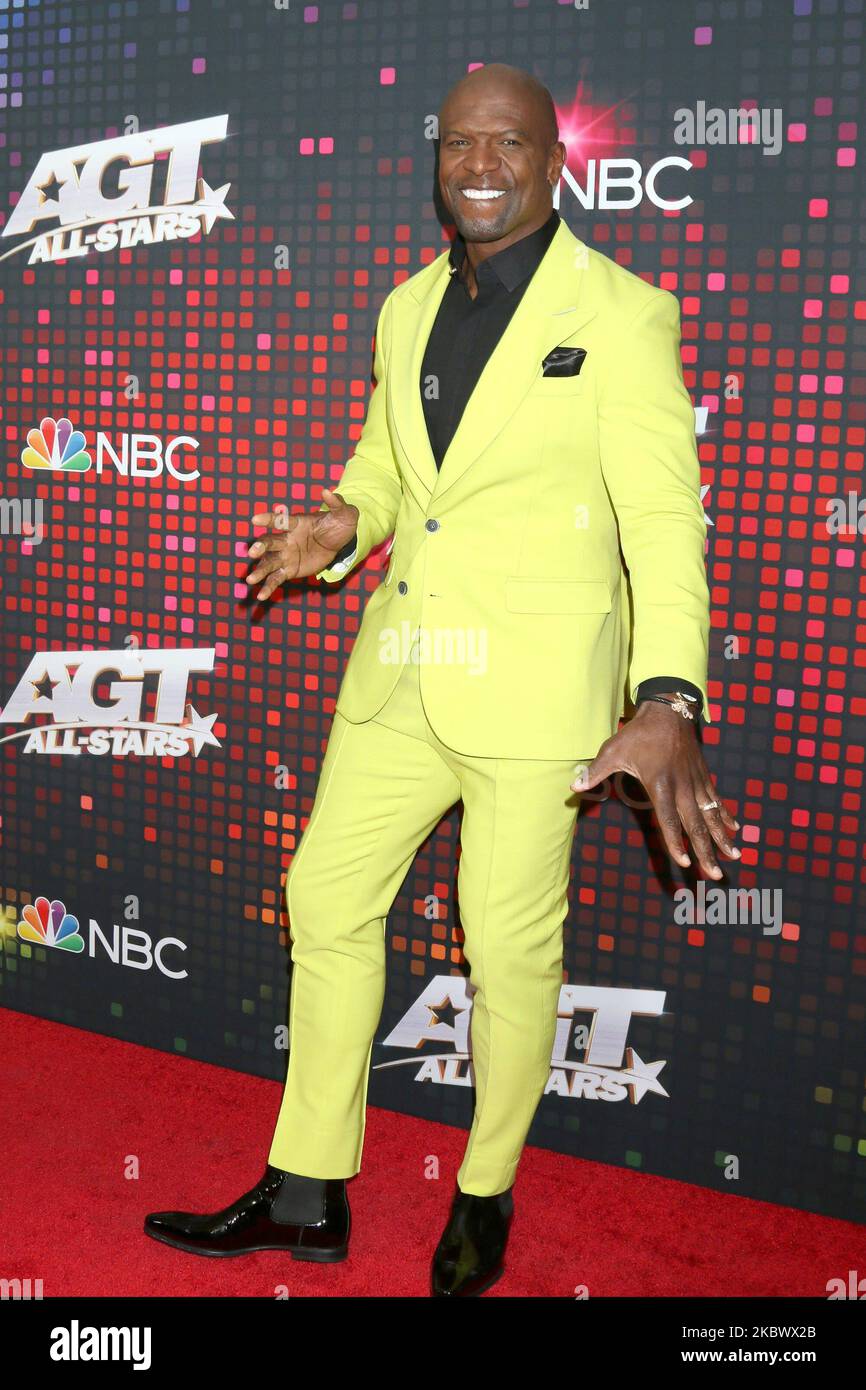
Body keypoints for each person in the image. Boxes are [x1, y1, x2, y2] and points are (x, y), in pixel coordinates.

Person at [144, 62, 739, 1297]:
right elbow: (384, 469)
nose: (478, 164)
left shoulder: (623, 314)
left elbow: (665, 524)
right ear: (436, 157)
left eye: (505, 143)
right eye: (458, 143)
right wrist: (339, 527)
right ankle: (309, 1185)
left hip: (534, 696)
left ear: (550, 158)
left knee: (507, 954)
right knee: (325, 897)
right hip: (405, 670)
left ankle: (483, 1191)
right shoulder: (405, 306)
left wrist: (666, 696)